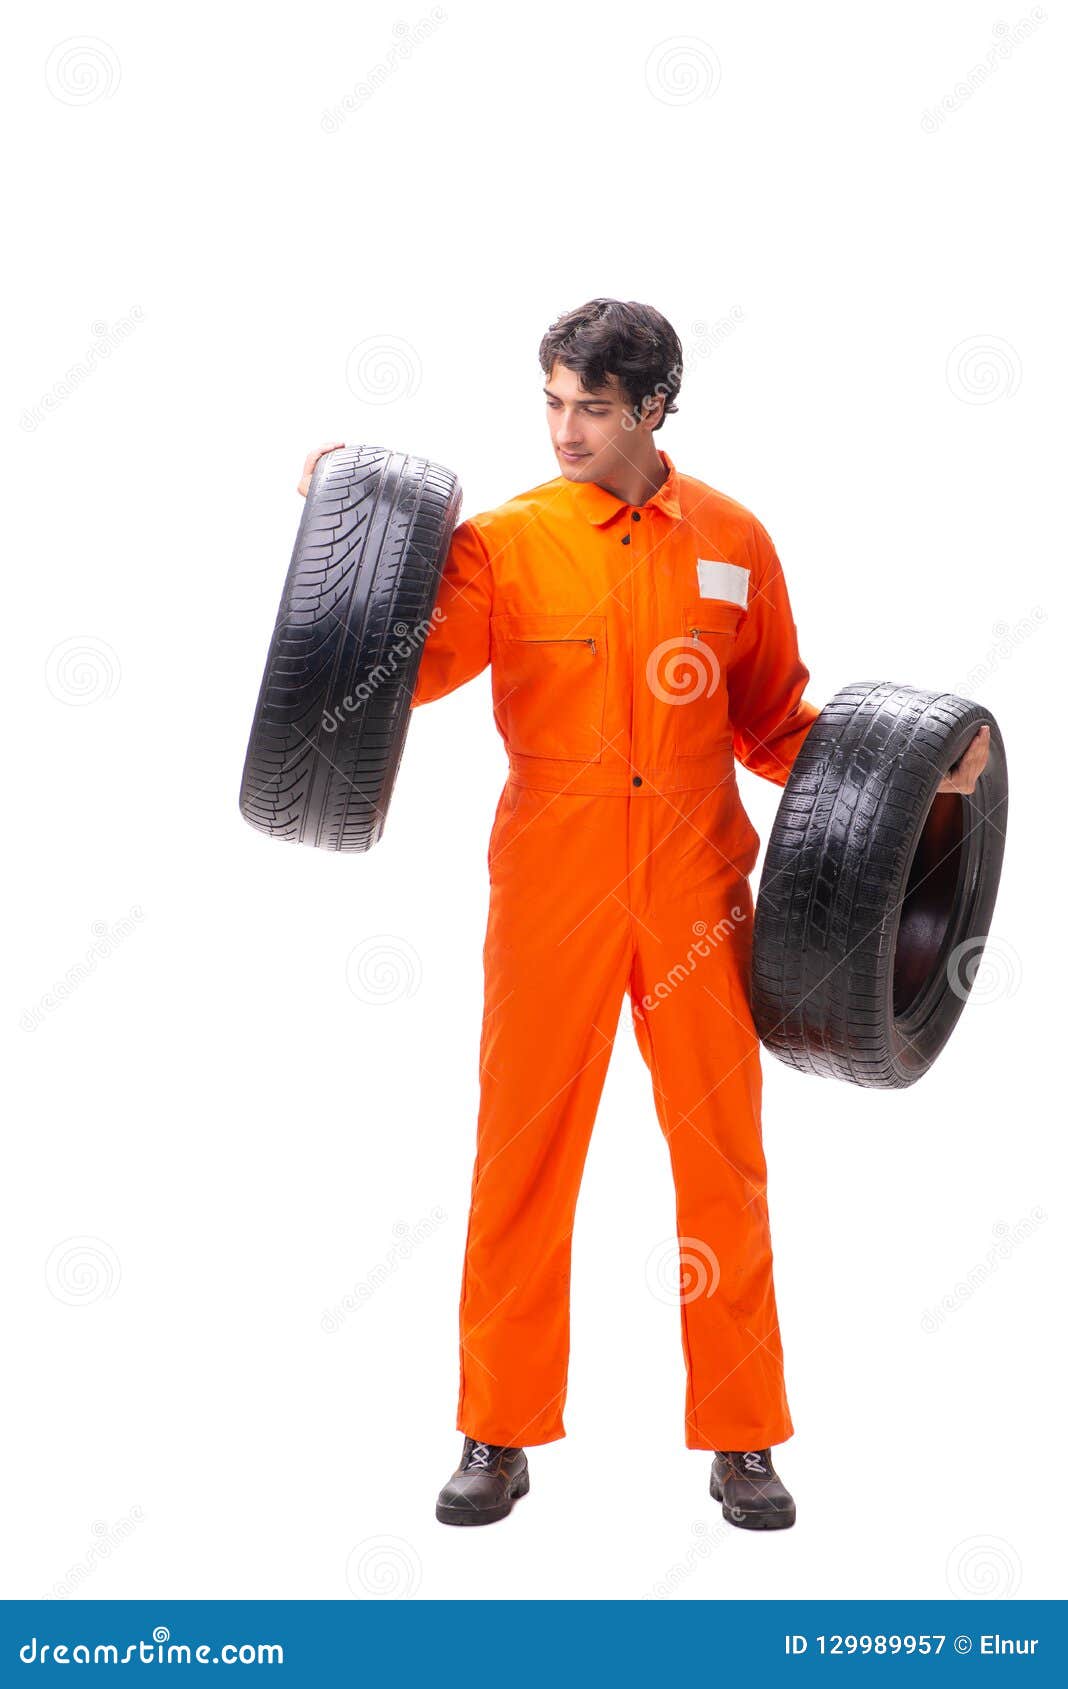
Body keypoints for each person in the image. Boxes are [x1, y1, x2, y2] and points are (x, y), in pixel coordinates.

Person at [299, 298, 989, 1532]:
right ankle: (497, 1432)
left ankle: (744, 1438)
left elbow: (775, 726)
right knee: (522, 1160)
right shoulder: (506, 542)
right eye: (552, 401)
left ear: (655, 407)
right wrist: (342, 535)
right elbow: (400, 667)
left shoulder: (733, 538)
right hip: (551, 887)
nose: (566, 430)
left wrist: (921, 778)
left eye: (595, 407)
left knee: (723, 1159)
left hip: (697, 890)